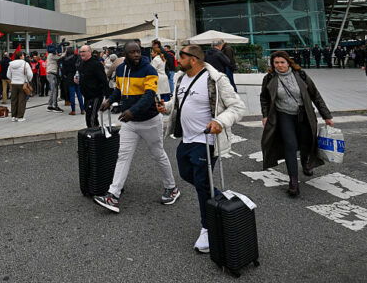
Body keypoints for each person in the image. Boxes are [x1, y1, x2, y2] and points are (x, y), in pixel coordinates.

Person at [164, 44, 246, 253]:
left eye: (180, 56)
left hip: (206, 140)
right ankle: (220, 198)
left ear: (193, 59)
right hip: (186, 138)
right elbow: (177, 102)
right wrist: (165, 107)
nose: (177, 60)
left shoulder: (216, 79)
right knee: (185, 174)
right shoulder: (181, 78)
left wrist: (220, 121)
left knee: (201, 182)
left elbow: (237, 107)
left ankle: (208, 228)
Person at [93, 41, 181, 214]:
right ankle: (113, 195)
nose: (136, 55)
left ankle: (172, 188)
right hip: (130, 123)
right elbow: (119, 89)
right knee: (123, 156)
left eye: (138, 51)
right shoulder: (120, 69)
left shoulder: (149, 70)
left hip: (149, 120)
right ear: (125, 54)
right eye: (132, 52)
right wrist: (109, 100)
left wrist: (132, 111)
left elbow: (149, 96)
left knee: (158, 154)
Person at [260, 51, 334, 197]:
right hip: (283, 116)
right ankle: (293, 181)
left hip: (304, 114)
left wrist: (326, 116)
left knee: (306, 142)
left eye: (282, 62)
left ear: (288, 62)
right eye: (276, 63)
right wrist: (265, 115)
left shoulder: (301, 75)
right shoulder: (269, 78)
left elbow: (315, 95)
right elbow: (265, 98)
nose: (279, 65)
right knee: (290, 146)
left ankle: (306, 162)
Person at [77, 45, 106, 128]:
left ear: (89, 52)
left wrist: (108, 98)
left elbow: (104, 80)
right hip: (86, 95)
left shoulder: (96, 64)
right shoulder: (82, 63)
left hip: (96, 95)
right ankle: (96, 134)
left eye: (83, 52)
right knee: (89, 116)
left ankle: (92, 136)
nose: (81, 54)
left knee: (91, 117)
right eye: (80, 52)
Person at [6, 50, 32, 122]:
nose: (24, 56)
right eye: (23, 55)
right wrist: (27, 80)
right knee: (22, 100)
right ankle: (20, 117)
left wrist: (13, 79)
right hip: (22, 84)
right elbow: (30, 74)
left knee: (13, 100)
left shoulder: (11, 64)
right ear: (21, 56)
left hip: (14, 84)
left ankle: (13, 116)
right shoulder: (25, 64)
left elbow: (8, 75)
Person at [61, 49, 84, 115]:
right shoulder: (77, 57)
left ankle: (73, 110)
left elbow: (63, 70)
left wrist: (65, 76)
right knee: (79, 94)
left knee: (72, 95)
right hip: (77, 76)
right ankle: (82, 110)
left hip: (70, 77)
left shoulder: (64, 60)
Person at [46, 45, 63, 112]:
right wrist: (65, 51)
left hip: (51, 74)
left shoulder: (50, 55)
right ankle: (54, 106)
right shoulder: (51, 55)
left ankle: (50, 105)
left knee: (53, 90)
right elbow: (60, 57)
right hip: (52, 74)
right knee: (54, 90)